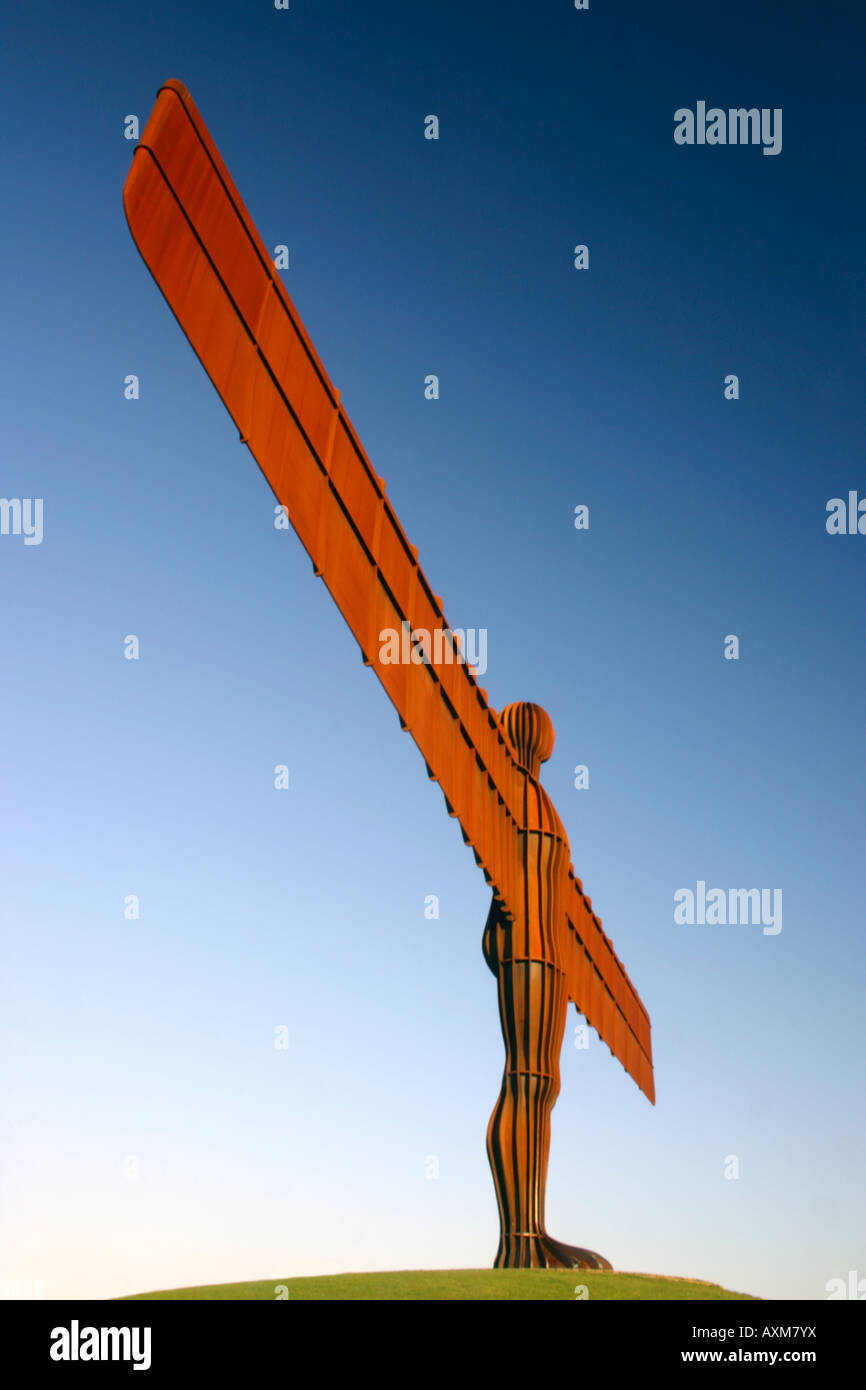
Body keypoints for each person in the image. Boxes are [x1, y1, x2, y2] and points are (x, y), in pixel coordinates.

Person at [482, 702, 611, 1271]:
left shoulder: (544, 806)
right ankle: (517, 1243)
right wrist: (505, 941)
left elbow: (559, 895)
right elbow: (502, 882)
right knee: (524, 1076)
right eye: (536, 727)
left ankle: (534, 1230)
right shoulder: (504, 788)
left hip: (551, 959)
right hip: (525, 954)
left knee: (545, 1084)